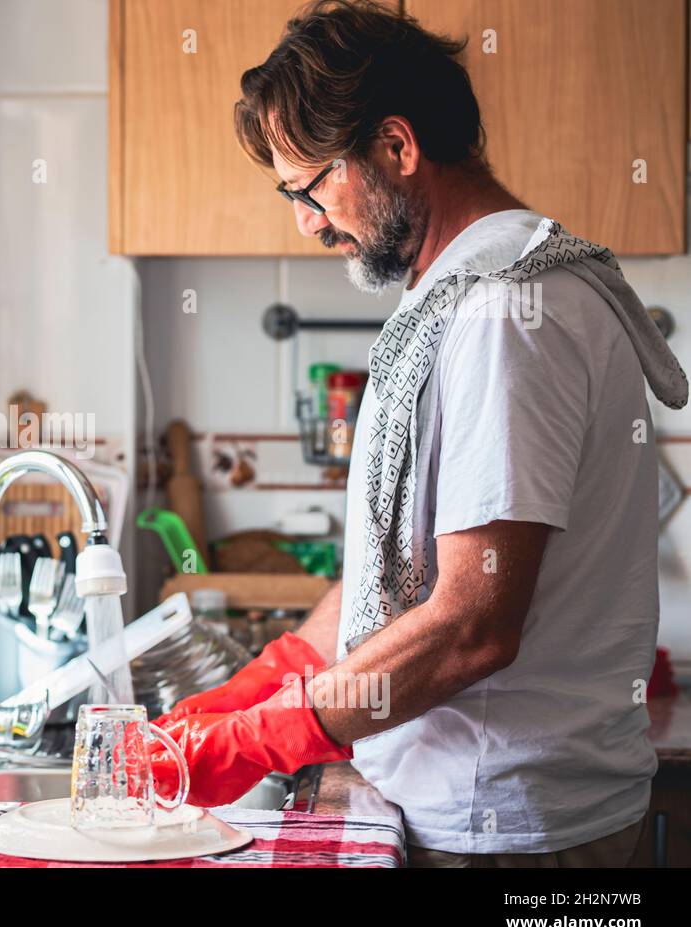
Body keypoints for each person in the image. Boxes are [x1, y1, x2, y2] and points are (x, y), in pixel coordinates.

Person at [148, 0, 687, 868]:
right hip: (468, 814)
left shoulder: (508, 314)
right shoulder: (460, 296)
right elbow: (389, 584)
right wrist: (265, 676)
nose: (308, 222)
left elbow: (473, 622)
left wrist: (264, 736)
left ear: (397, 147)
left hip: (513, 834)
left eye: (310, 186)